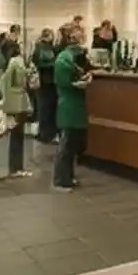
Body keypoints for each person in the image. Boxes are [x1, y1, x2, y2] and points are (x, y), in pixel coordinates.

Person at [53, 27, 93, 192]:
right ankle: (60, 180)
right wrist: (80, 83)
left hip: (75, 104)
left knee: (73, 144)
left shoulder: (70, 57)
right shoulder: (64, 59)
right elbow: (65, 82)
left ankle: (68, 176)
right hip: (68, 104)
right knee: (66, 144)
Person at [0, 41, 34, 178]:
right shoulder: (18, 62)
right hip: (19, 101)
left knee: (14, 136)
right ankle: (16, 168)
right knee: (18, 136)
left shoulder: (7, 64)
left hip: (9, 102)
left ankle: (14, 167)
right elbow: (21, 81)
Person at [32, 28, 60, 142]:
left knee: (49, 108)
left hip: (51, 81)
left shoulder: (52, 48)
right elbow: (38, 63)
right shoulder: (40, 48)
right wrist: (53, 64)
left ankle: (50, 133)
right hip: (44, 81)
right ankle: (44, 133)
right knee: (44, 108)